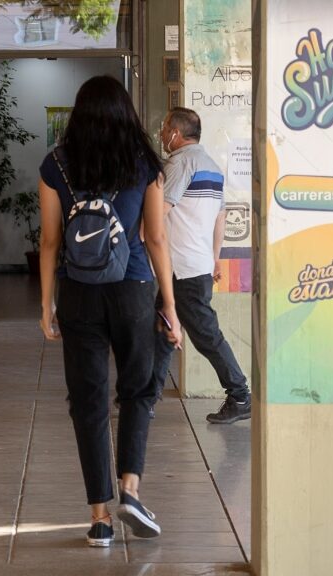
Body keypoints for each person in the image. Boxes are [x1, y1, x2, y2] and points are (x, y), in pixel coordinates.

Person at [38, 76, 183, 546]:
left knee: (88, 400)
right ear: (126, 113)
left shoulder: (57, 163)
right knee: (137, 389)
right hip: (132, 288)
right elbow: (155, 238)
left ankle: (99, 518)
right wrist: (170, 305)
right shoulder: (144, 162)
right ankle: (130, 490)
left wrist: (46, 303)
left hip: (78, 291)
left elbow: (49, 240)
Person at [152, 107, 251, 424]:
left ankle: (240, 394)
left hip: (184, 268)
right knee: (161, 329)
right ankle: (146, 393)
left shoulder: (179, 163)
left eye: (165, 127)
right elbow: (221, 216)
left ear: (176, 133)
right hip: (195, 264)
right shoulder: (211, 166)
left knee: (206, 335)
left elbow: (160, 210)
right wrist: (215, 257)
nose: (162, 134)